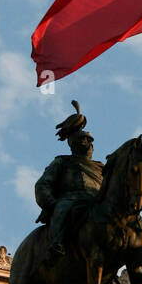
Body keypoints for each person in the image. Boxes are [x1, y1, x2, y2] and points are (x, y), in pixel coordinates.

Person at [34, 101, 104, 258]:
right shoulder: (62, 162)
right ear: (75, 144)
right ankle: (56, 243)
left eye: (90, 142)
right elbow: (43, 184)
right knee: (63, 208)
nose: (90, 144)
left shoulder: (102, 168)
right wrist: (51, 203)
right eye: (85, 141)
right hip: (72, 200)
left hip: (96, 203)